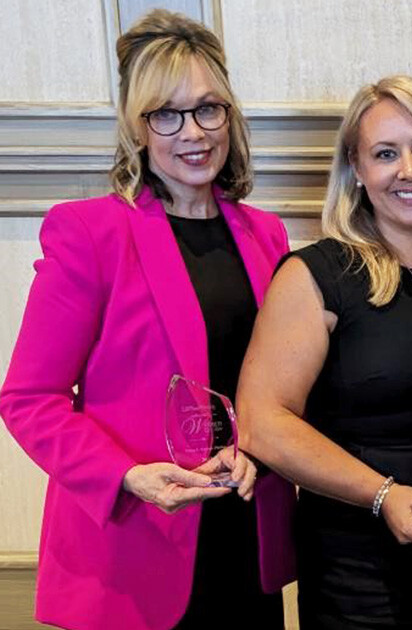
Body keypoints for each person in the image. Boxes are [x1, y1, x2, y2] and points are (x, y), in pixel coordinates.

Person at [0, 9, 293, 630]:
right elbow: (30, 398)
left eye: (208, 108)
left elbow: (280, 387)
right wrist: (126, 475)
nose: (193, 132)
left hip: (242, 530)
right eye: (166, 113)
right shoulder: (88, 232)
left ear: (230, 116)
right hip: (136, 544)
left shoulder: (265, 235)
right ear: (137, 129)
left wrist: (260, 453)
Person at [236, 74, 412, 629]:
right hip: (359, 574)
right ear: (357, 172)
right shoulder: (319, 274)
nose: (410, 170)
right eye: (386, 153)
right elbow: (262, 422)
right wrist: (382, 494)